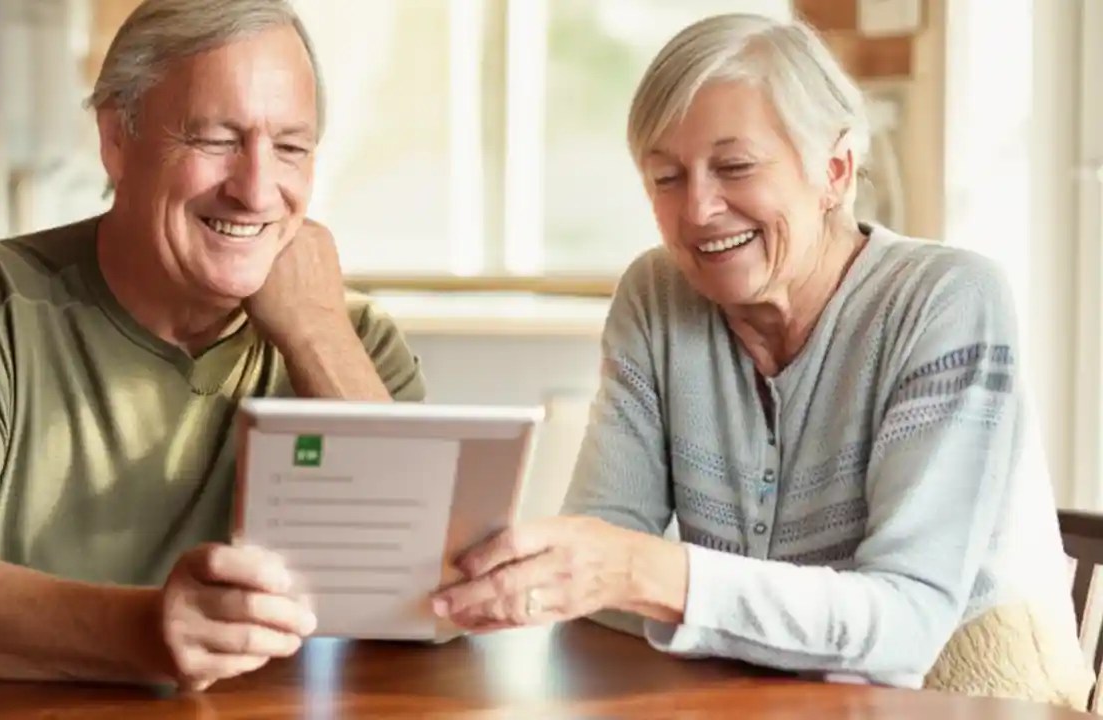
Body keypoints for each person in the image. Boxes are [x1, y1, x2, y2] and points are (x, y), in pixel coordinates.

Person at [431, 13, 1093, 708]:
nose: (698, 209)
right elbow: (600, 570)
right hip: (775, 696)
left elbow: (906, 627)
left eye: (735, 167)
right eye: (666, 177)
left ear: (834, 171)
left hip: (977, 696)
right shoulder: (656, 295)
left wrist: (643, 573)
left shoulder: (948, 299)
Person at [0, 0, 425, 691]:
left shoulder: (349, 335)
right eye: (216, 139)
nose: (257, 190)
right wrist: (143, 632)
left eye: (290, 148)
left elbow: (425, 591)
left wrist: (318, 338)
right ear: (116, 138)